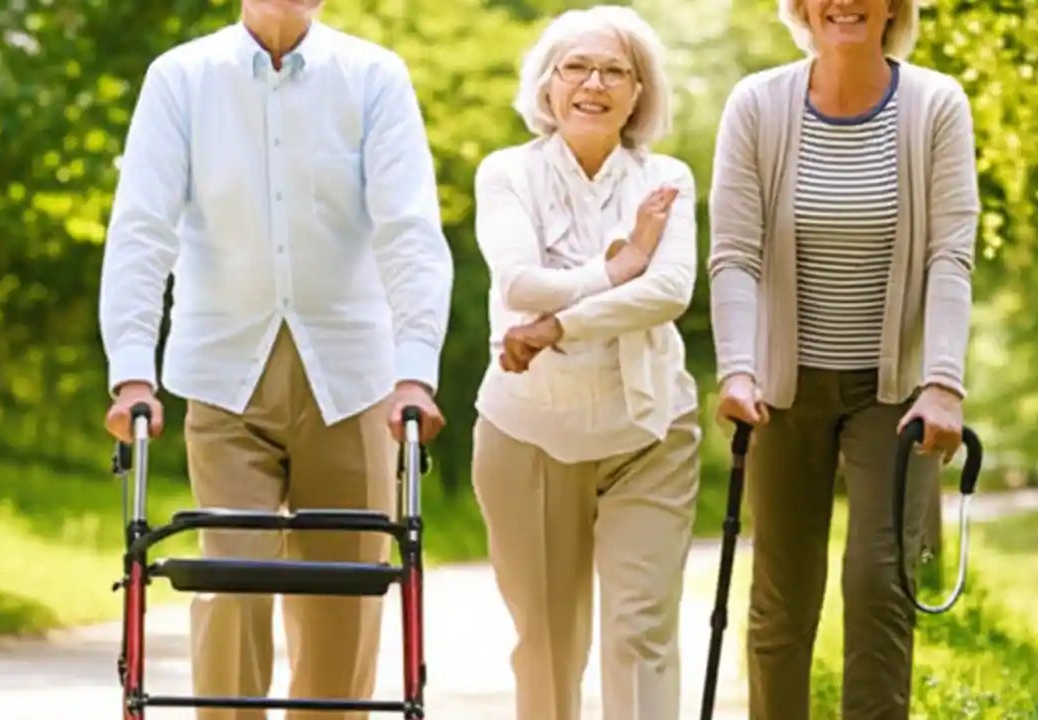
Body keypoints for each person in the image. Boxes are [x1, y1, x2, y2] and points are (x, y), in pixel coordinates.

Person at [97, 0, 453, 717]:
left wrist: (415, 372)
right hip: (225, 375)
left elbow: (409, 230)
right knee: (231, 585)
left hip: (353, 380)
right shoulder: (182, 78)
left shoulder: (373, 76)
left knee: (342, 610)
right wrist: (132, 371)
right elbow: (142, 228)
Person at [706, 0, 979, 718]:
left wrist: (943, 384)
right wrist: (738, 369)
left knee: (879, 583)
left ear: (893, 6)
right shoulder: (757, 105)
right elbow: (734, 255)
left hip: (895, 393)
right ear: (800, 7)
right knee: (782, 598)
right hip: (782, 388)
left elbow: (950, 254)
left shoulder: (935, 105)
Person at [469, 6, 702, 719]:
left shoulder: (665, 178)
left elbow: (669, 291)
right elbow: (518, 284)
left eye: (614, 71)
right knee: (547, 645)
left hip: (649, 430)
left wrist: (558, 325)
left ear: (639, 93)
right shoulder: (507, 172)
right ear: (548, 84)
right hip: (529, 432)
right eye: (576, 67)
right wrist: (620, 267)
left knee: (640, 632)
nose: (593, 84)